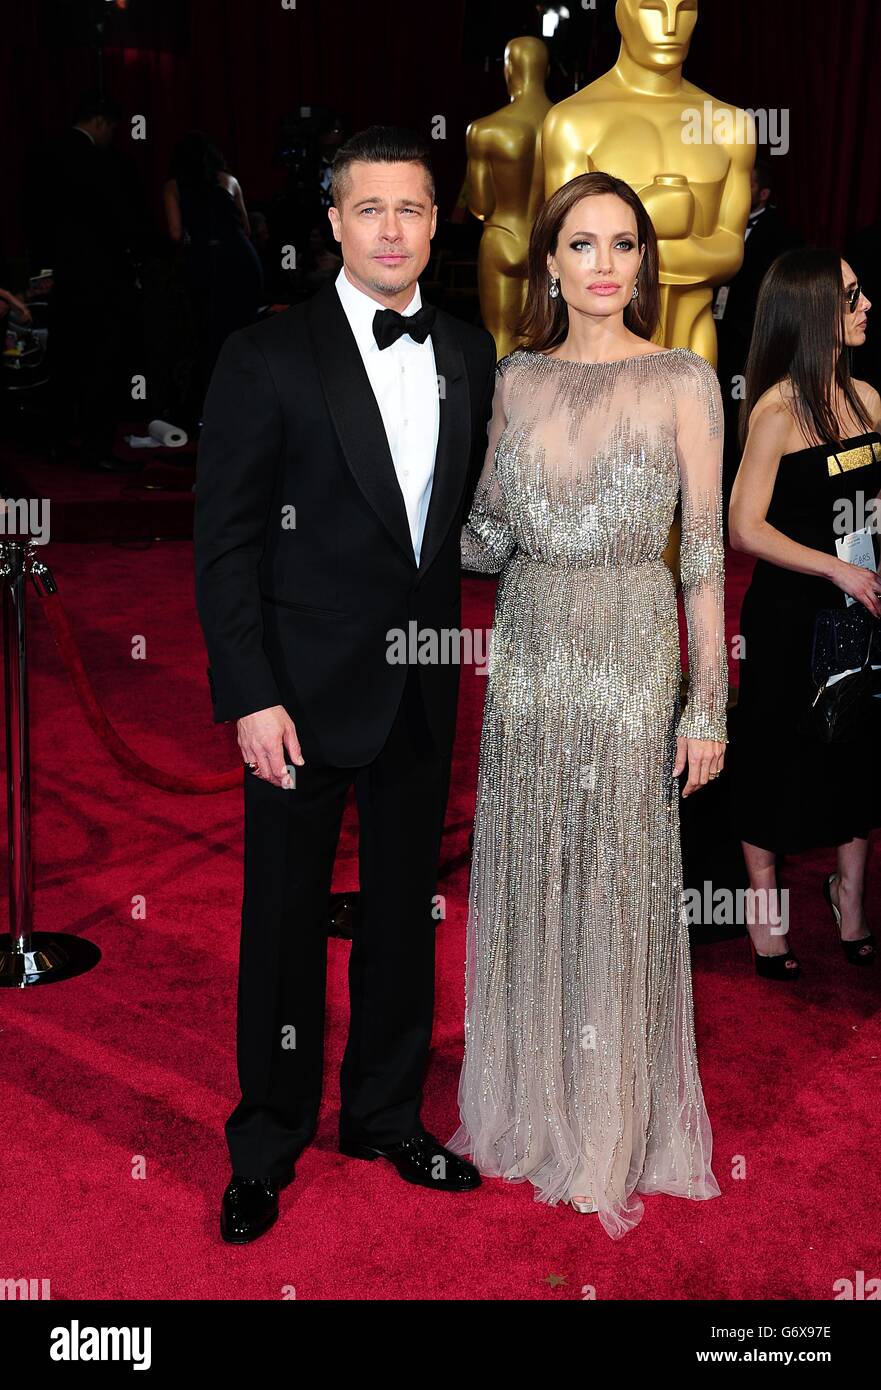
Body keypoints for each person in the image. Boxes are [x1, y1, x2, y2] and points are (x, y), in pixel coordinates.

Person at [193, 126, 497, 1245]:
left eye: (411, 210)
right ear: (330, 223)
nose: (390, 230)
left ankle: (383, 1113)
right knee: (279, 923)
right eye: (367, 209)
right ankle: (264, 1141)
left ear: (435, 223)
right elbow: (223, 544)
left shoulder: (465, 350)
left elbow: (454, 525)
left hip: (420, 685)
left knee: (402, 916)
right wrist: (248, 692)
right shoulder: (263, 357)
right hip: (298, 694)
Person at [445, 171, 727, 1238]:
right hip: (527, 645)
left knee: (611, 869)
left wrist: (707, 705)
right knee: (533, 860)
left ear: (643, 264)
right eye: (580, 244)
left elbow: (700, 557)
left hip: (625, 645)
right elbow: (482, 536)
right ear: (548, 264)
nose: (602, 263)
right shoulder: (512, 378)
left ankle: (607, 1119)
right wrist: (393, 511)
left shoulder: (681, 380)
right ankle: (531, 1099)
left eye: (621, 244)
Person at [728, 250, 881, 975]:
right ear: (813, 310)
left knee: (858, 757)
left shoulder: (870, 401)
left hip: (861, 613)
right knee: (772, 758)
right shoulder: (776, 409)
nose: (865, 305)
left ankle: (847, 900)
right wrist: (835, 569)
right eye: (850, 296)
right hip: (791, 615)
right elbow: (744, 527)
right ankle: (763, 916)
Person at [164, 132, 264, 422]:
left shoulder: (173, 186)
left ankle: (212, 412)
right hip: (242, 260)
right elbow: (246, 228)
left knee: (207, 339)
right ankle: (250, 410)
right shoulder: (229, 181)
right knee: (244, 336)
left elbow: (174, 233)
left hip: (206, 262)